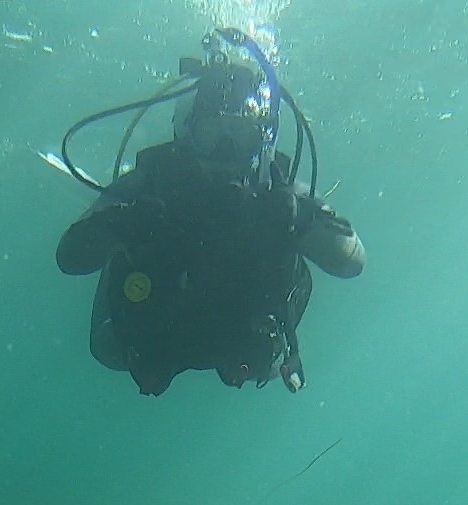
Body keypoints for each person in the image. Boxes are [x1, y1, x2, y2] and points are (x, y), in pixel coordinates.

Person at [53, 28, 364, 396]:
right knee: (112, 347)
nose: (225, 151)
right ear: (187, 134)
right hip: (150, 338)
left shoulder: (275, 190)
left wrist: (298, 220)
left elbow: (351, 261)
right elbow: (69, 257)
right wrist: (122, 223)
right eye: (213, 134)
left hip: (241, 341)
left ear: (261, 141)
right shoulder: (150, 182)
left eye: (240, 137)